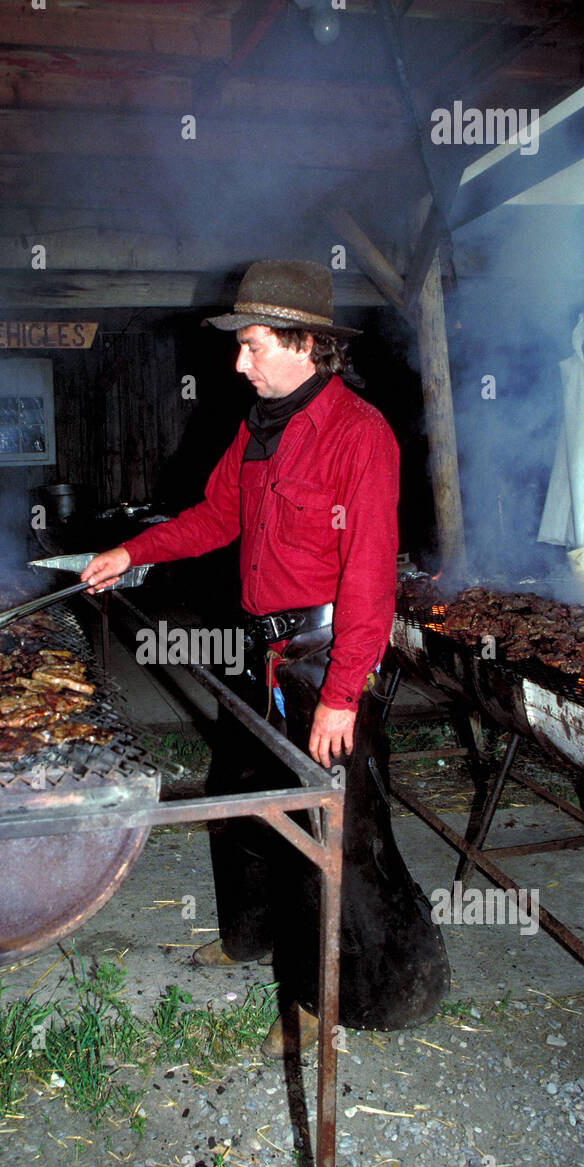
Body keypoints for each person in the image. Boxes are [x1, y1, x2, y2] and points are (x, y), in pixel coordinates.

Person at [82, 261, 449, 1054]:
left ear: (306, 344)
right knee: (244, 796)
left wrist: (343, 695)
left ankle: (339, 1001)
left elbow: (369, 580)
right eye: (241, 346)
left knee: (334, 829)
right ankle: (249, 939)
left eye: (251, 345)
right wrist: (133, 552)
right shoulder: (258, 428)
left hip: (327, 659)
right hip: (266, 651)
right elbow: (217, 516)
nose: (238, 362)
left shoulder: (361, 435)